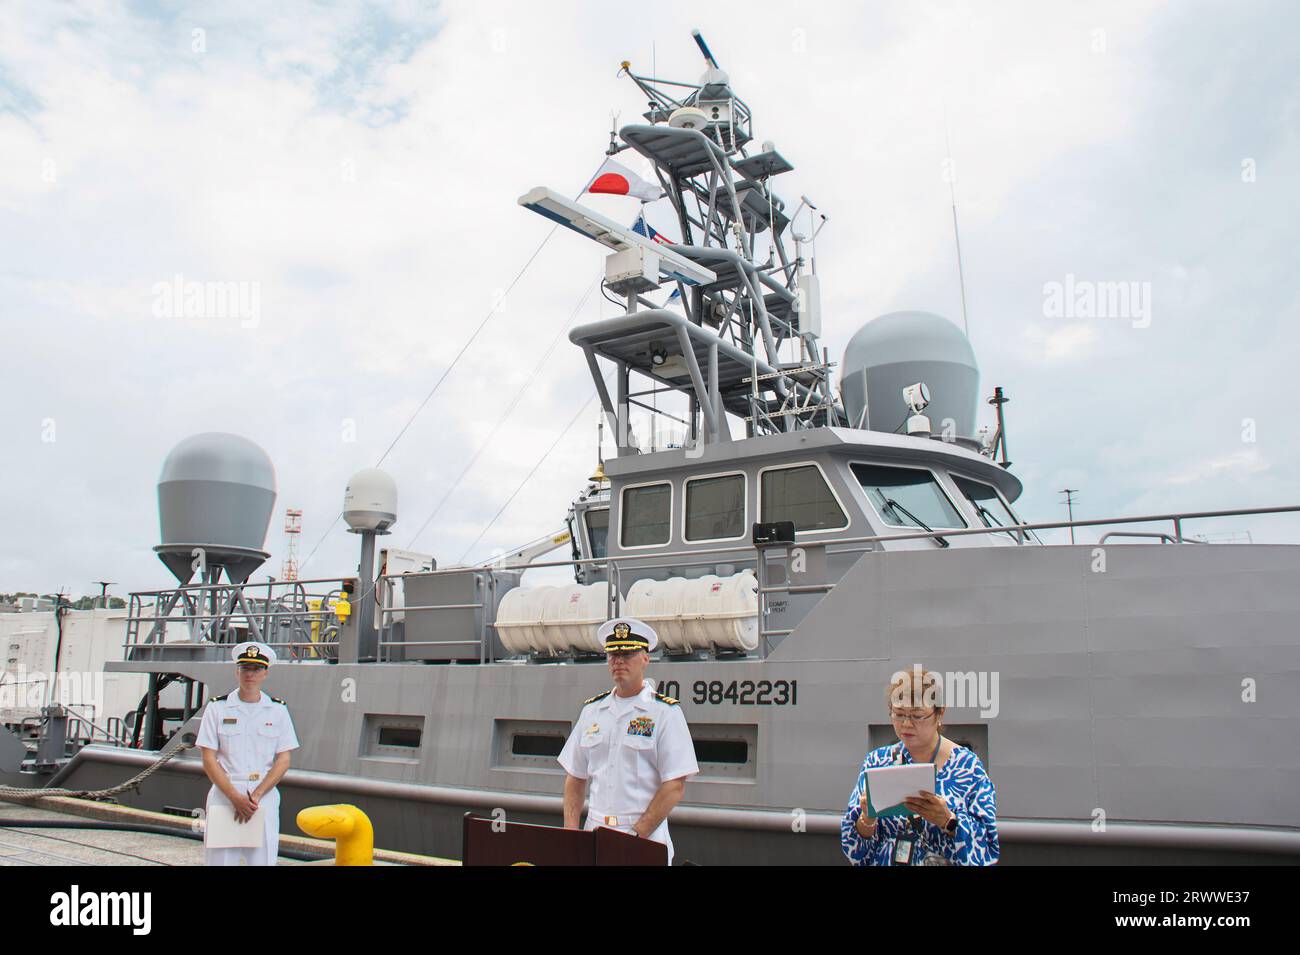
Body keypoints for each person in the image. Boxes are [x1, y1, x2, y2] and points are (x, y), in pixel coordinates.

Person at [558, 616, 699, 865]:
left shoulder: (665, 713)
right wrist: (570, 833)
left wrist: (636, 835)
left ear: (645, 658)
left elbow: (675, 785)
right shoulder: (592, 711)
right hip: (595, 834)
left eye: (627, 654)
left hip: (643, 839)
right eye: (613, 655)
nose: (618, 661)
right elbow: (575, 776)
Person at [841, 666, 998, 865]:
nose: (906, 723)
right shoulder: (877, 762)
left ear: (939, 713)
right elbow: (854, 851)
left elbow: (987, 851)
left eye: (916, 716)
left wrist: (948, 821)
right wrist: (867, 818)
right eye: (898, 714)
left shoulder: (968, 767)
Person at [196, 641, 300, 866]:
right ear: (237, 671)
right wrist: (234, 796)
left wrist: (257, 795)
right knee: (220, 863)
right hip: (225, 795)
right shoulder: (217, 708)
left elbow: (283, 759)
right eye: (245, 668)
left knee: (262, 862)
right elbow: (208, 757)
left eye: (256, 669)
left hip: (262, 797)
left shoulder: (278, 710)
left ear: (265, 673)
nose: (249, 674)